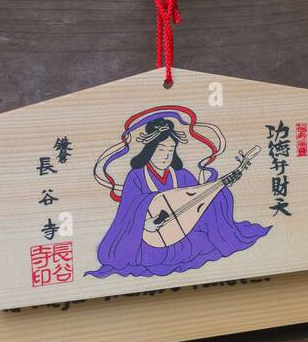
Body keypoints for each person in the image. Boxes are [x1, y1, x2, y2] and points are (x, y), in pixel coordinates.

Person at [87, 116, 269, 278]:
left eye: (171, 149)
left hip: (181, 233)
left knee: (209, 220)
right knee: (147, 255)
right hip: (146, 237)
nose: (166, 155)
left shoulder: (180, 174)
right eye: (161, 149)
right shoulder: (136, 176)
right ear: (149, 149)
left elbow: (198, 199)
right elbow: (127, 213)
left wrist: (219, 187)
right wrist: (145, 221)